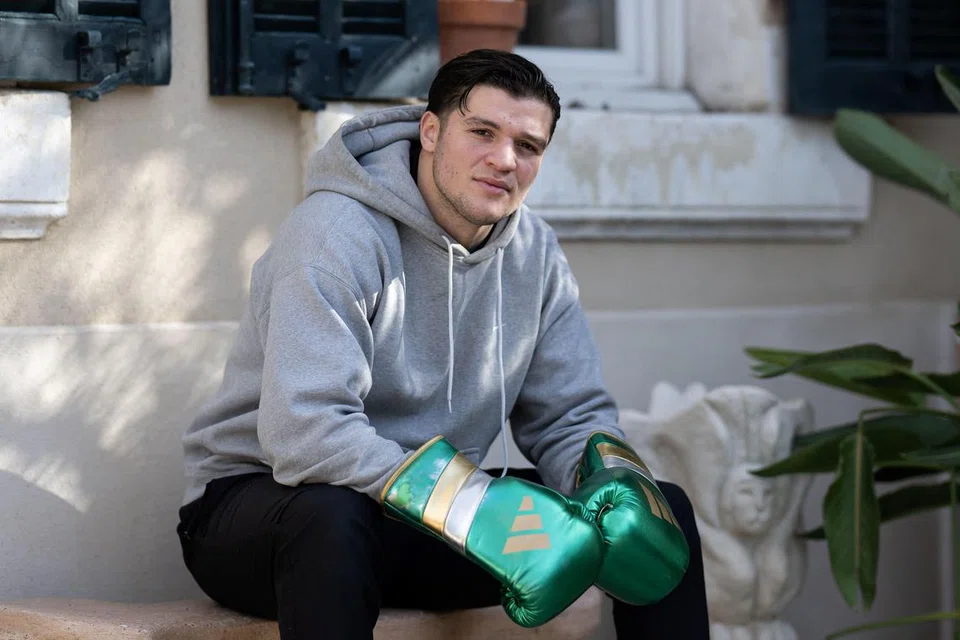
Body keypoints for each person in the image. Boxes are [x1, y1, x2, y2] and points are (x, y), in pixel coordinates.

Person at [177, 49, 710, 638]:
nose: (504, 159)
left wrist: (607, 483)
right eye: (482, 132)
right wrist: (473, 503)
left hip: (430, 521)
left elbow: (568, 415)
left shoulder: (533, 252)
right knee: (333, 516)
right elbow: (306, 434)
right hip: (266, 511)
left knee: (658, 512)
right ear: (430, 131)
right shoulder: (334, 235)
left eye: (527, 146)